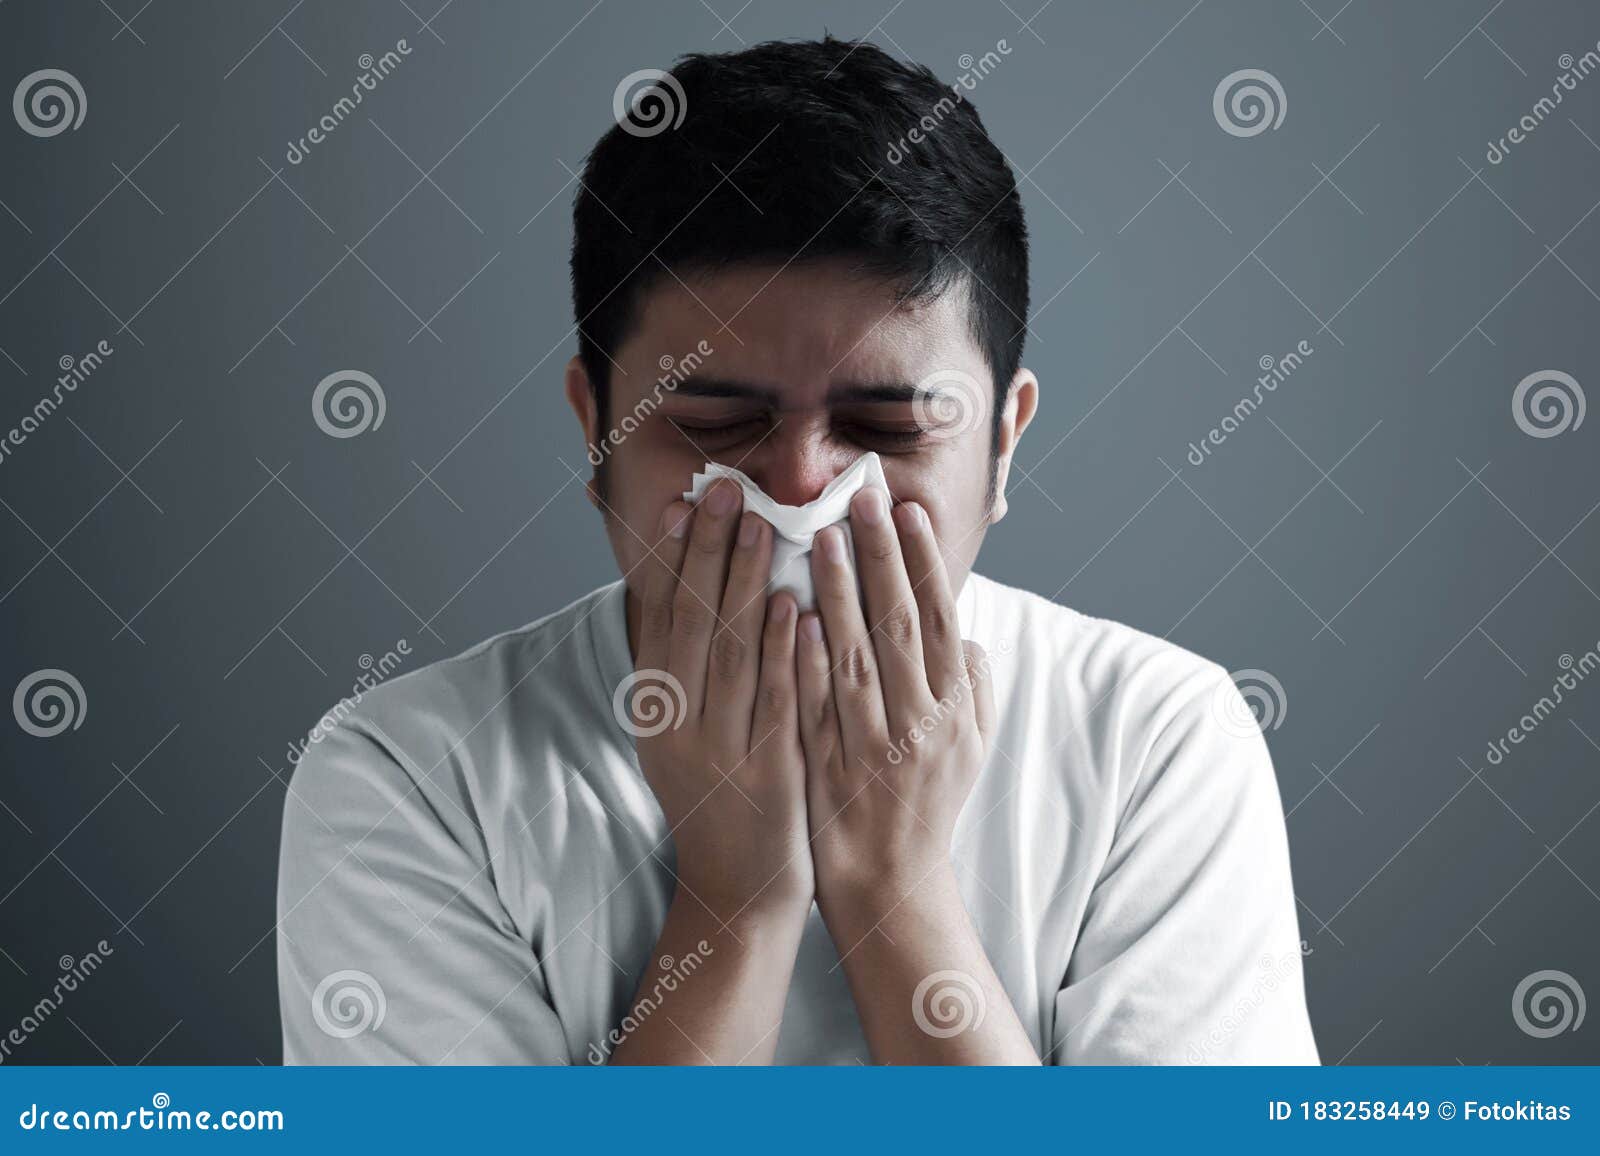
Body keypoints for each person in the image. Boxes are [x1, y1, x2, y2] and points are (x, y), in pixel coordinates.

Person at [277, 36, 1317, 1065]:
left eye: (889, 429)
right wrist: (735, 904)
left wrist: (892, 888)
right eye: (716, 422)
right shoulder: (411, 776)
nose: (800, 494)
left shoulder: (1155, 742)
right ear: (597, 433)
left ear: (1001, 446)